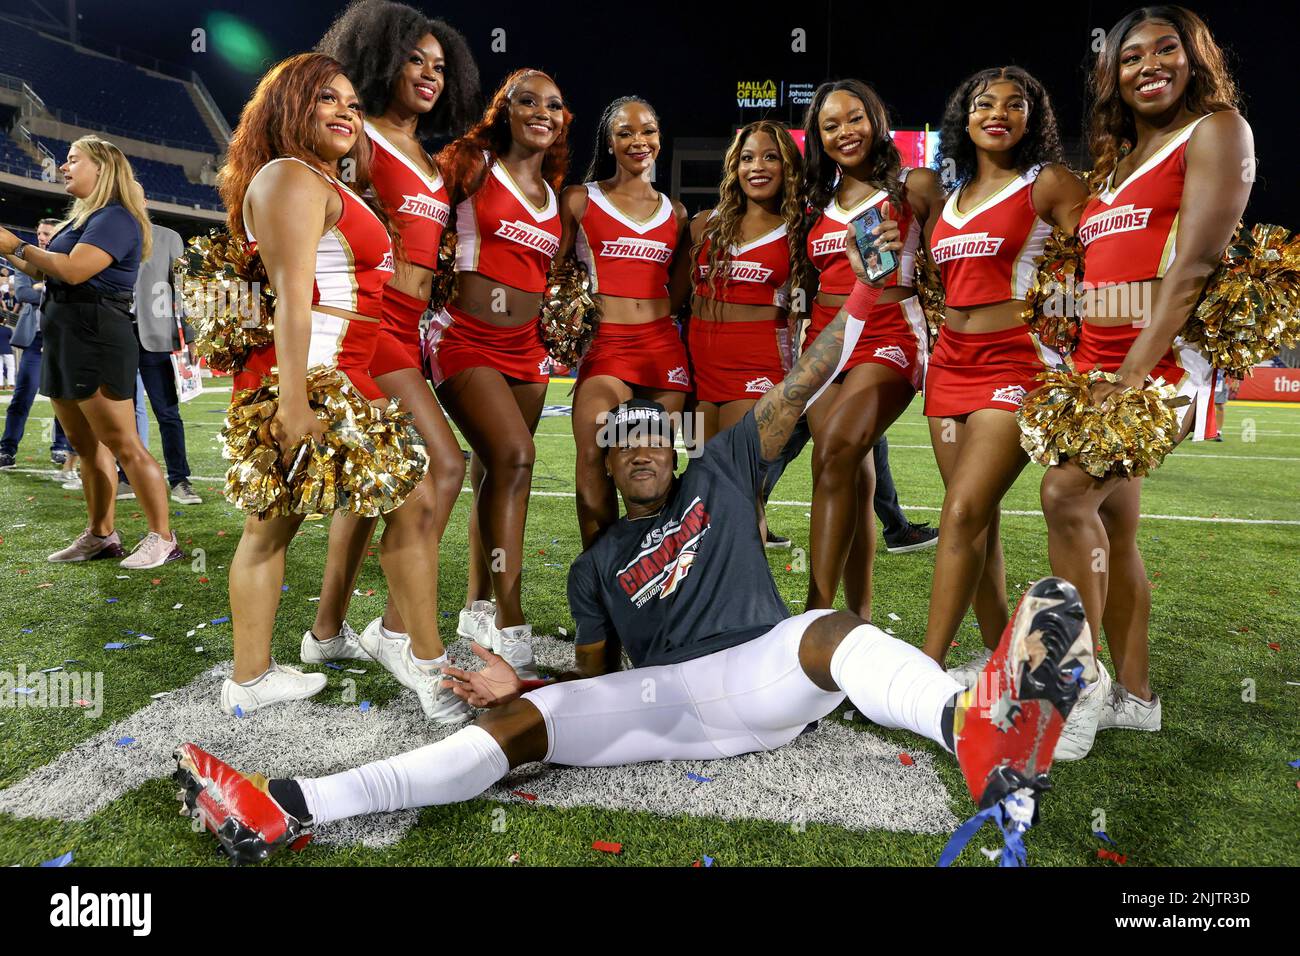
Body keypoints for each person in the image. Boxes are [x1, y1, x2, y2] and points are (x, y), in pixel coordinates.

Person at [172, 231, 1098, 866]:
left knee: (832, 627)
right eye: (623, 446)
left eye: (655, 437)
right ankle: (292, 807)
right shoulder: (595, 568)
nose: (642, 449)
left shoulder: (729, 469)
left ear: (679, 447)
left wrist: (862, 296)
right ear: (611, 471)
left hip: (773, 674)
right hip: (666, 703)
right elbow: (595, 676)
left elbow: (808, 378)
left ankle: (974, 731)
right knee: (507, 736)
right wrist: (526, 690)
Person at [216, 52, 467, 722]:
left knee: (395, 509)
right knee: (274, 530)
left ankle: (398, 654)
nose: (346, 113)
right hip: (315, 377)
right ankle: (417, 661)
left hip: (345, 373)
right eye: (327, 99)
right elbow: (294, 299)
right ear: (290, 106)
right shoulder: (288, 178)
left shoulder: (327, 182)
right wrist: (294, 401)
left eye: (353, 104)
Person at [1044, 4, 1253, 758]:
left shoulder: (1217, 130)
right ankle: (1137, 696)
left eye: (1167, 50)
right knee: (1116, 528)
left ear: (1195, 58)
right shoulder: (1120, 159)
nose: (1149, 66)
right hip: (1096, 363)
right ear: (1113, 76)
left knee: (1064, 494)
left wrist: (1130, 377)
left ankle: (1082, 683)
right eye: (1131, 57)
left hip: (1157, 365)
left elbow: (1195, 262)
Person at [308, 1, 480, 676]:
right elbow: (331, 227)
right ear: (381, 56)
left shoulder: (427, 156)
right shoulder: (360, 139)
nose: (430, 74)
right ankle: (392, 628)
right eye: (415, 58)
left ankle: (324, 633)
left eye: (440, 66)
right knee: (445, 464)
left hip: (410, 330)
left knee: (366, 488)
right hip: (370, 327)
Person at [922, 67, 1089, 685]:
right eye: (983, 104)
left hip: (1014, 362)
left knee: (961, 513)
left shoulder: (1047, 184)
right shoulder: (949, 198)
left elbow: (1100, 260)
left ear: (1032, 118)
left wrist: (1073, 320)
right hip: (947, 368)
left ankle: (924, 666)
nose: (998, 113)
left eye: (1014, 104)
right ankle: (996, 658)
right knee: (979, 522)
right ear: (964, 119)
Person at [432, 69, 572, 677]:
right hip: (465, 336)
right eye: (528, 101)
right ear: (504, 110)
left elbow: (554, 276)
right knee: (515, 458)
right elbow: (417, 218)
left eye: (555, 105)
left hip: (527, 347)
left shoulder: (557, 193)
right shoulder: (471, 162)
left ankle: (475, 606)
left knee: (493, 471)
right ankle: (511, 619)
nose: (543, 112)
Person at [796, 79, 943, 619]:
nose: (844, 133)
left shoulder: (916, 185)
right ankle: (856, 622)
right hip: (824, 340)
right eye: (830, 126)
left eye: (853, 119)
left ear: (876, 120)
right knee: (847, 474)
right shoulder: (816, 202)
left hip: (890, 332)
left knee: (834, 450)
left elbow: (953, 261)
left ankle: (813, 617)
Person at [0, 136, 181, 569]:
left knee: (123, 442)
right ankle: (102, 534)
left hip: (96, 332)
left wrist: (15, 245)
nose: (63, 167)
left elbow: (75, 270)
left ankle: (163, 537)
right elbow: (42, 267)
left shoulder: (116, 217)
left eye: (72, 160)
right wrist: (9, 252)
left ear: (101, 169)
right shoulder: (82, 220)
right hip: (64, 332)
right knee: (84, 446)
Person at [563, 95, 690, 548]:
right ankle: (601, 576)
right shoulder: (581, 200)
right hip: (607, 348)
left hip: (662, 349)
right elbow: (555, 274)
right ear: (610, 142)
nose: (640, 141)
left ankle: (652, 577)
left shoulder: (676, 213)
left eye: (648, 130)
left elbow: (678, 292)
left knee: (655, 464)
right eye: (626, 132)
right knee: (595, 453)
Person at [676, 120, 803, 546]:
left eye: (771, 157)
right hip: (699, 376)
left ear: (788, 167)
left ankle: (748, 607)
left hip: (758, 371)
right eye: (748, 157)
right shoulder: (702, 226)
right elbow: (675, 295)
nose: (758, 167)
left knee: (741, 489)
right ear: (735, 166)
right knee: (700, 485)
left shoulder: (800, 231)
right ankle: (703, 600)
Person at [132, 217, 202, 505]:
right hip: (112, 335)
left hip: (155, 336)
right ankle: (126, 477)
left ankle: (179, 479)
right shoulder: (104, 232)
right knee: (119, 415)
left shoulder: (167, 237)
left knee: (168, 413)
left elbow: (183, 287)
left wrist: (192, 333)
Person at [0, 220, 74, 469]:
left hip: (61, 338)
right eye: (39, 233)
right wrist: (52, 285)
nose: (41, 237)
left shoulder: (68, 259)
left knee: (62, 397)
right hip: (36, 339)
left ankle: (61, 447)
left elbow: (65, 292)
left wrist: (43, 285)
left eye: (47, 233)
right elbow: (23, 294)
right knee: (23, 395)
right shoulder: (28, 261)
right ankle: (7, 448)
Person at [0, 315, 12, 388]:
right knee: (11, 367)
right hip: (7, 350)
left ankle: (0, 385)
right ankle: (11, 384)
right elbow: (11, 337)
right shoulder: (8, 329)